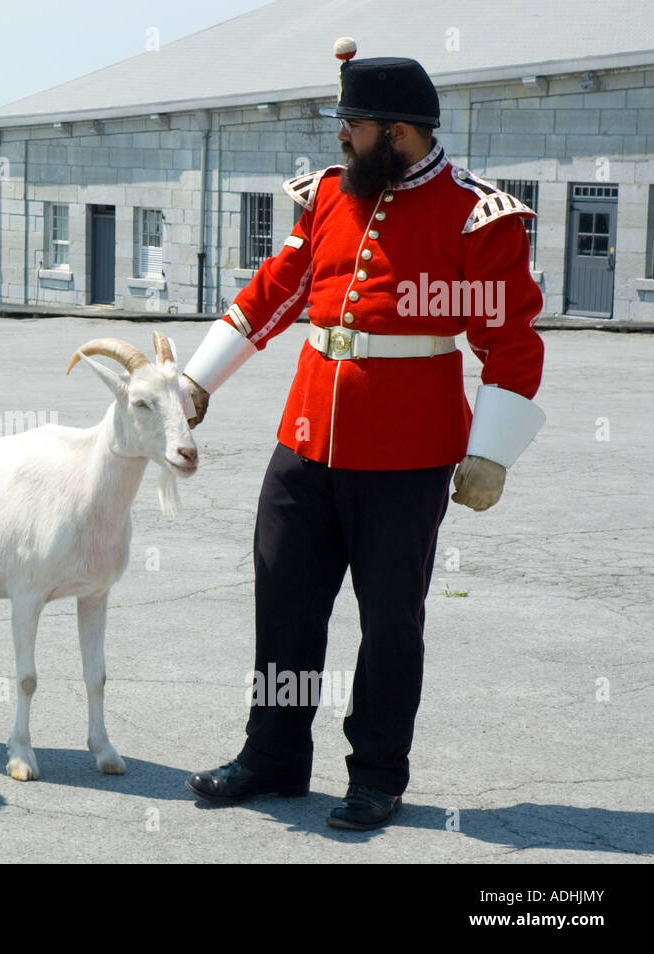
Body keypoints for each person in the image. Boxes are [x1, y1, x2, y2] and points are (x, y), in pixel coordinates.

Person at [178, 38, 545, 829]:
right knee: (283, 607)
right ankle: (273, 756)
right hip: (305, 442)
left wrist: (491, 452)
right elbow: (276, 292)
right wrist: (194, 379)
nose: (340, 137)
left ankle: (376, 774)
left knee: (388, 624)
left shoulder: (476, 217)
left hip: (407, 456)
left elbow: (509, 341)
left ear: (401, 132)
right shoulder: (330, 196)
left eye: (354, 125)